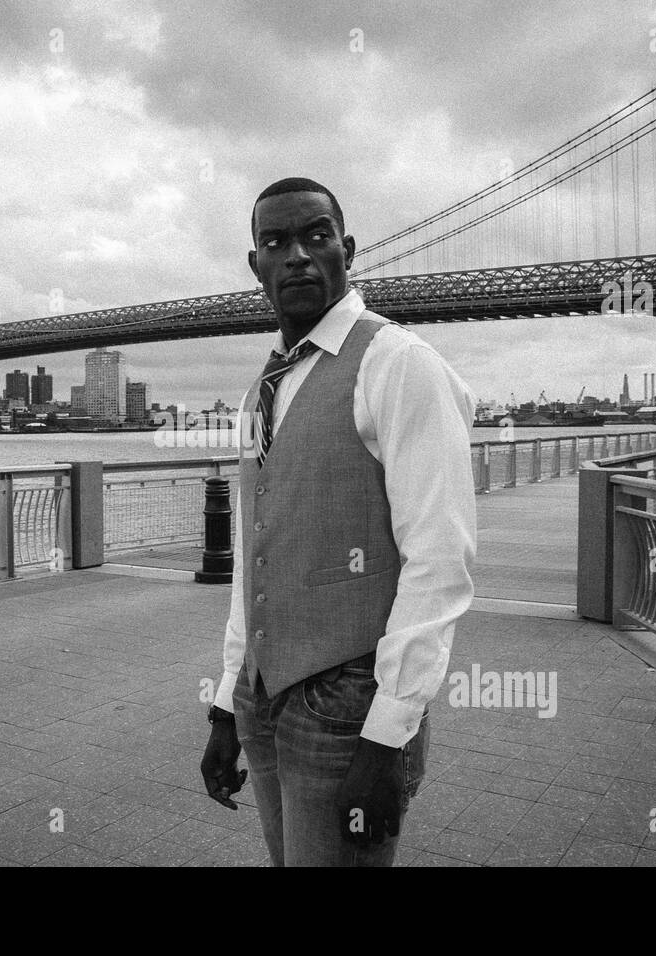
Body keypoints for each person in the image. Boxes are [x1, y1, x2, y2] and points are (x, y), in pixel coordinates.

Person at [198, 177, 477, 866]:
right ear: (255, 265)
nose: (296, 255)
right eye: (275, 242)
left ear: (346, 249)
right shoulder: (265, 388)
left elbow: (439, 562)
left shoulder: (399, 364)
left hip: (349, 704)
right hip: (263, 695)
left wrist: (388, 738)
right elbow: (254, 557)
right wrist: (229, 703)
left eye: (316, 236)